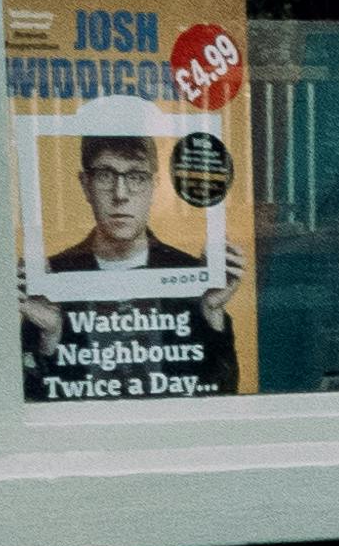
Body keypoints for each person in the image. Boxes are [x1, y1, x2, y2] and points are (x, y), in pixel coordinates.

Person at [25, 120, 236, 390]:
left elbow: (223, 391)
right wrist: (48, 338)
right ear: (85, 185)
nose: (120, 194)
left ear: (154, 186)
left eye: (136, 176)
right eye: (105, 175)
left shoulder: (192, 276)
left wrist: (212, 313)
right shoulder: (51, 280)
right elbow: (31, 400)